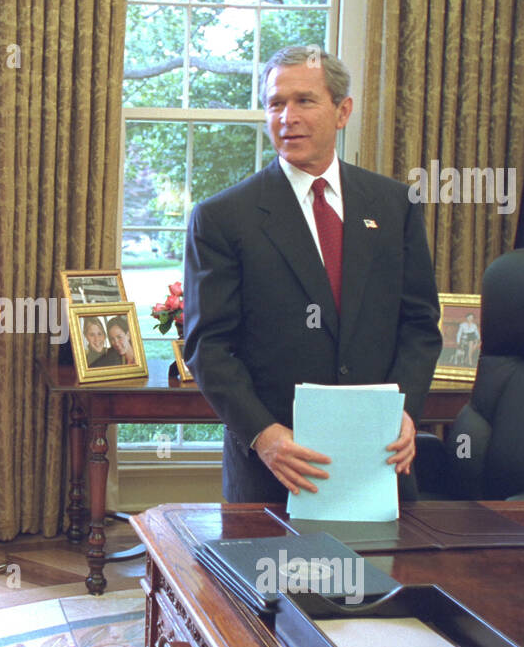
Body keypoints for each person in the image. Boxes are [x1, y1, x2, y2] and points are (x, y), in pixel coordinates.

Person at [183, 46, 441, 503]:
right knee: (274, 578)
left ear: (343, 112)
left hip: (379, 458)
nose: (288, 117)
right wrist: (264, 435)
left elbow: (419, 326)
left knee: (385, 575)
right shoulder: (223, 217)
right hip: (275, 469)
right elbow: (208, 346)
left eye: (304, 100)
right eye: (275, 103)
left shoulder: (394, 205)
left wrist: (404, 410)